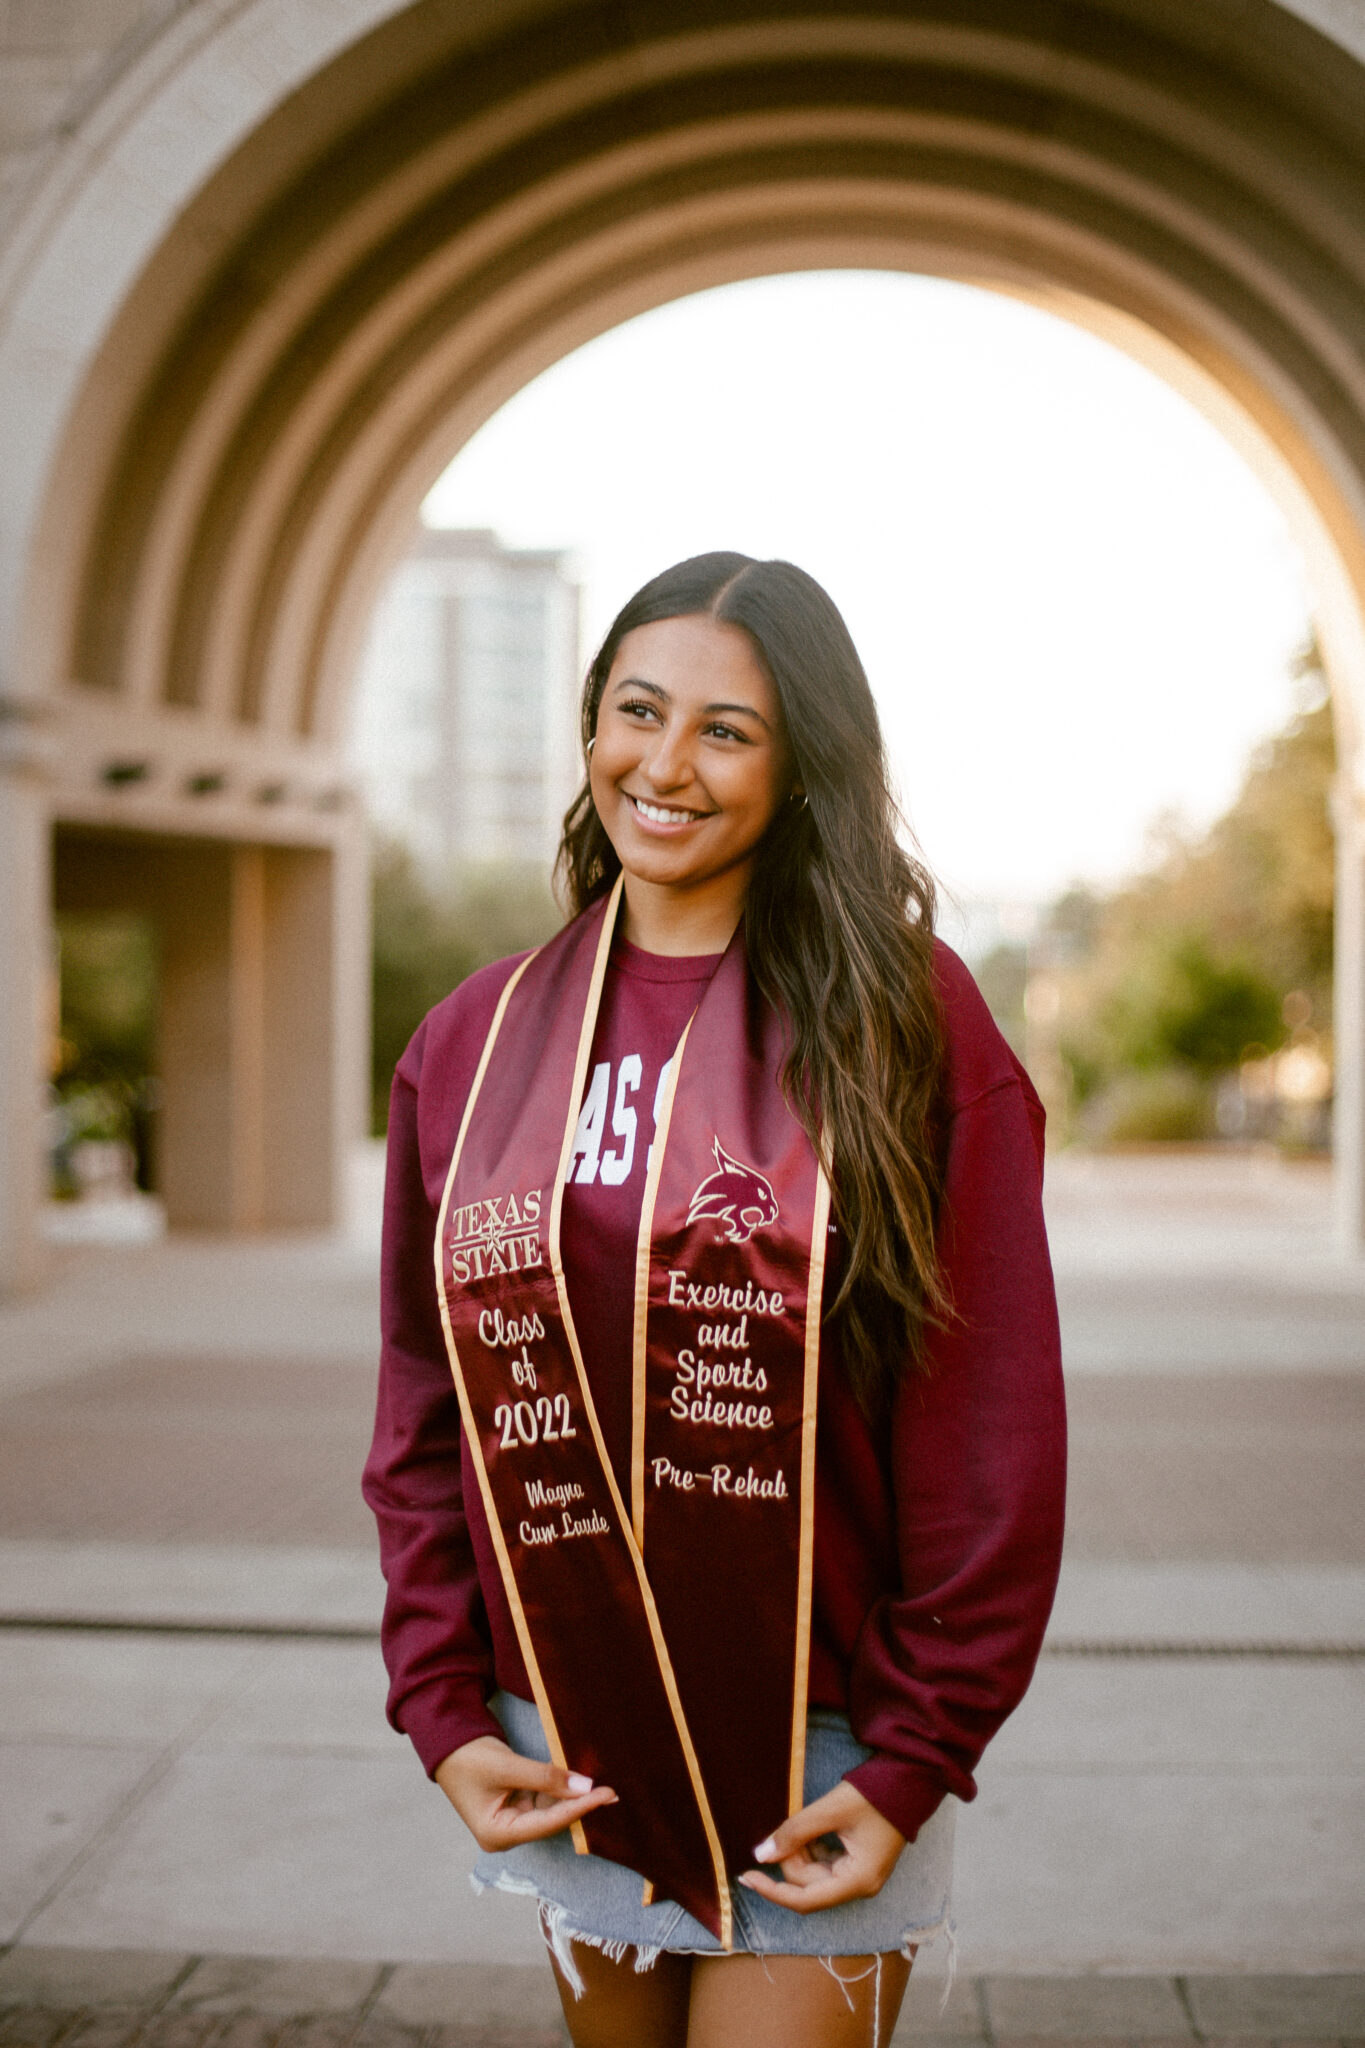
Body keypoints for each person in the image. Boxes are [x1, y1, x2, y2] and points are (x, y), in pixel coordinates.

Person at [363, 552, 1066, 2048]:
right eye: (636, 711)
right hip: (571, 1727)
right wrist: (439, 1707)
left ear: (800, 760)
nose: (664, 766)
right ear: (589, 725)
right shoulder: (474, 1044)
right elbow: (428, 1407)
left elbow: (987, 1414)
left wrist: (915, 1751)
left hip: (825, 1737)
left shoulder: (900, 1020)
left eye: (726, 731)